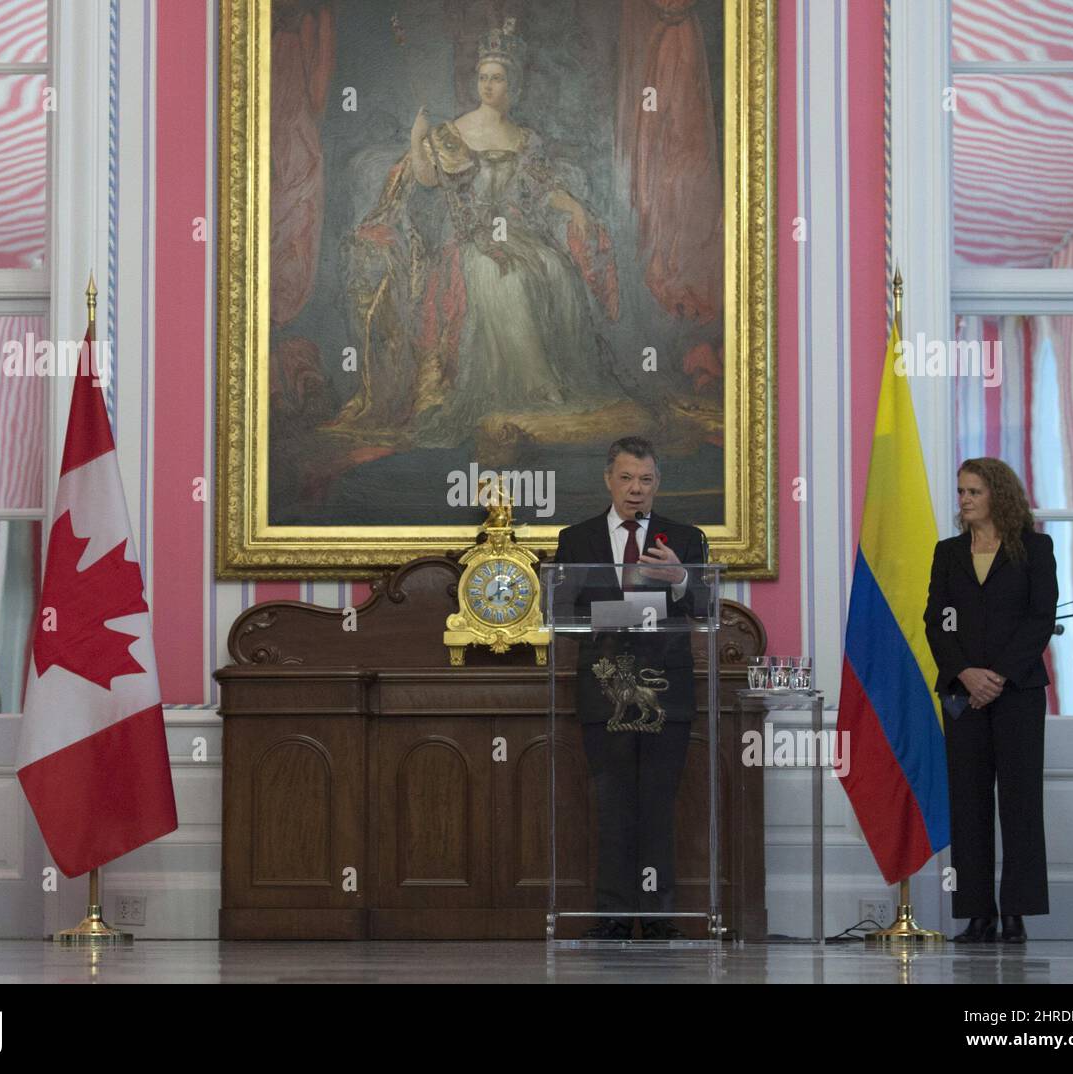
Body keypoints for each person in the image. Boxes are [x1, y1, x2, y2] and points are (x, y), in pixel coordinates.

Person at [330, 20, 621, 447]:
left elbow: (544, 188)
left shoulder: (525, 138)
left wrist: (574, 205)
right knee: (505, 277)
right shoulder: (456, 130)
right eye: (483, 77)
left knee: (555, 268)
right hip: (469, 237)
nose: (488, 85)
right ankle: (534, 385)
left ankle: (557, 381)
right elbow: (427, 179)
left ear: (513, 85)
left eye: (497, 78)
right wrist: (416, 140)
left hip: (518, 232)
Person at [553, 436, 707, 940]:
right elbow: (562, 615)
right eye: (626, 478)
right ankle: (614, 915)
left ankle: (660, 916)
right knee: (614, 809)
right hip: (605, 690)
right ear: (608, 480)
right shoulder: (576, 541)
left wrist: (682, 579)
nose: (635, 489)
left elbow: (704, 608)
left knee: (659, 809)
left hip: (667, 691)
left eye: (645, 480)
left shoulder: (685, 539)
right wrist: (631, 612)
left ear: (657, 483)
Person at [924, 457, 1058, 944]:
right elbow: (936, 621)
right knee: (969, 801)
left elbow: (1040, 620)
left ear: (997, 495)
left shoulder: (1036, 549)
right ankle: (977, 914)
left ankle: (1016, 914)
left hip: (1017, 692)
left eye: (973, 491)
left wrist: (997, 676)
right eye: (960, 491)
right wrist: (965, 672)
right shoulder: (948, 552)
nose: (963, 500)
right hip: (961, 695)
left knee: (1020, 801)